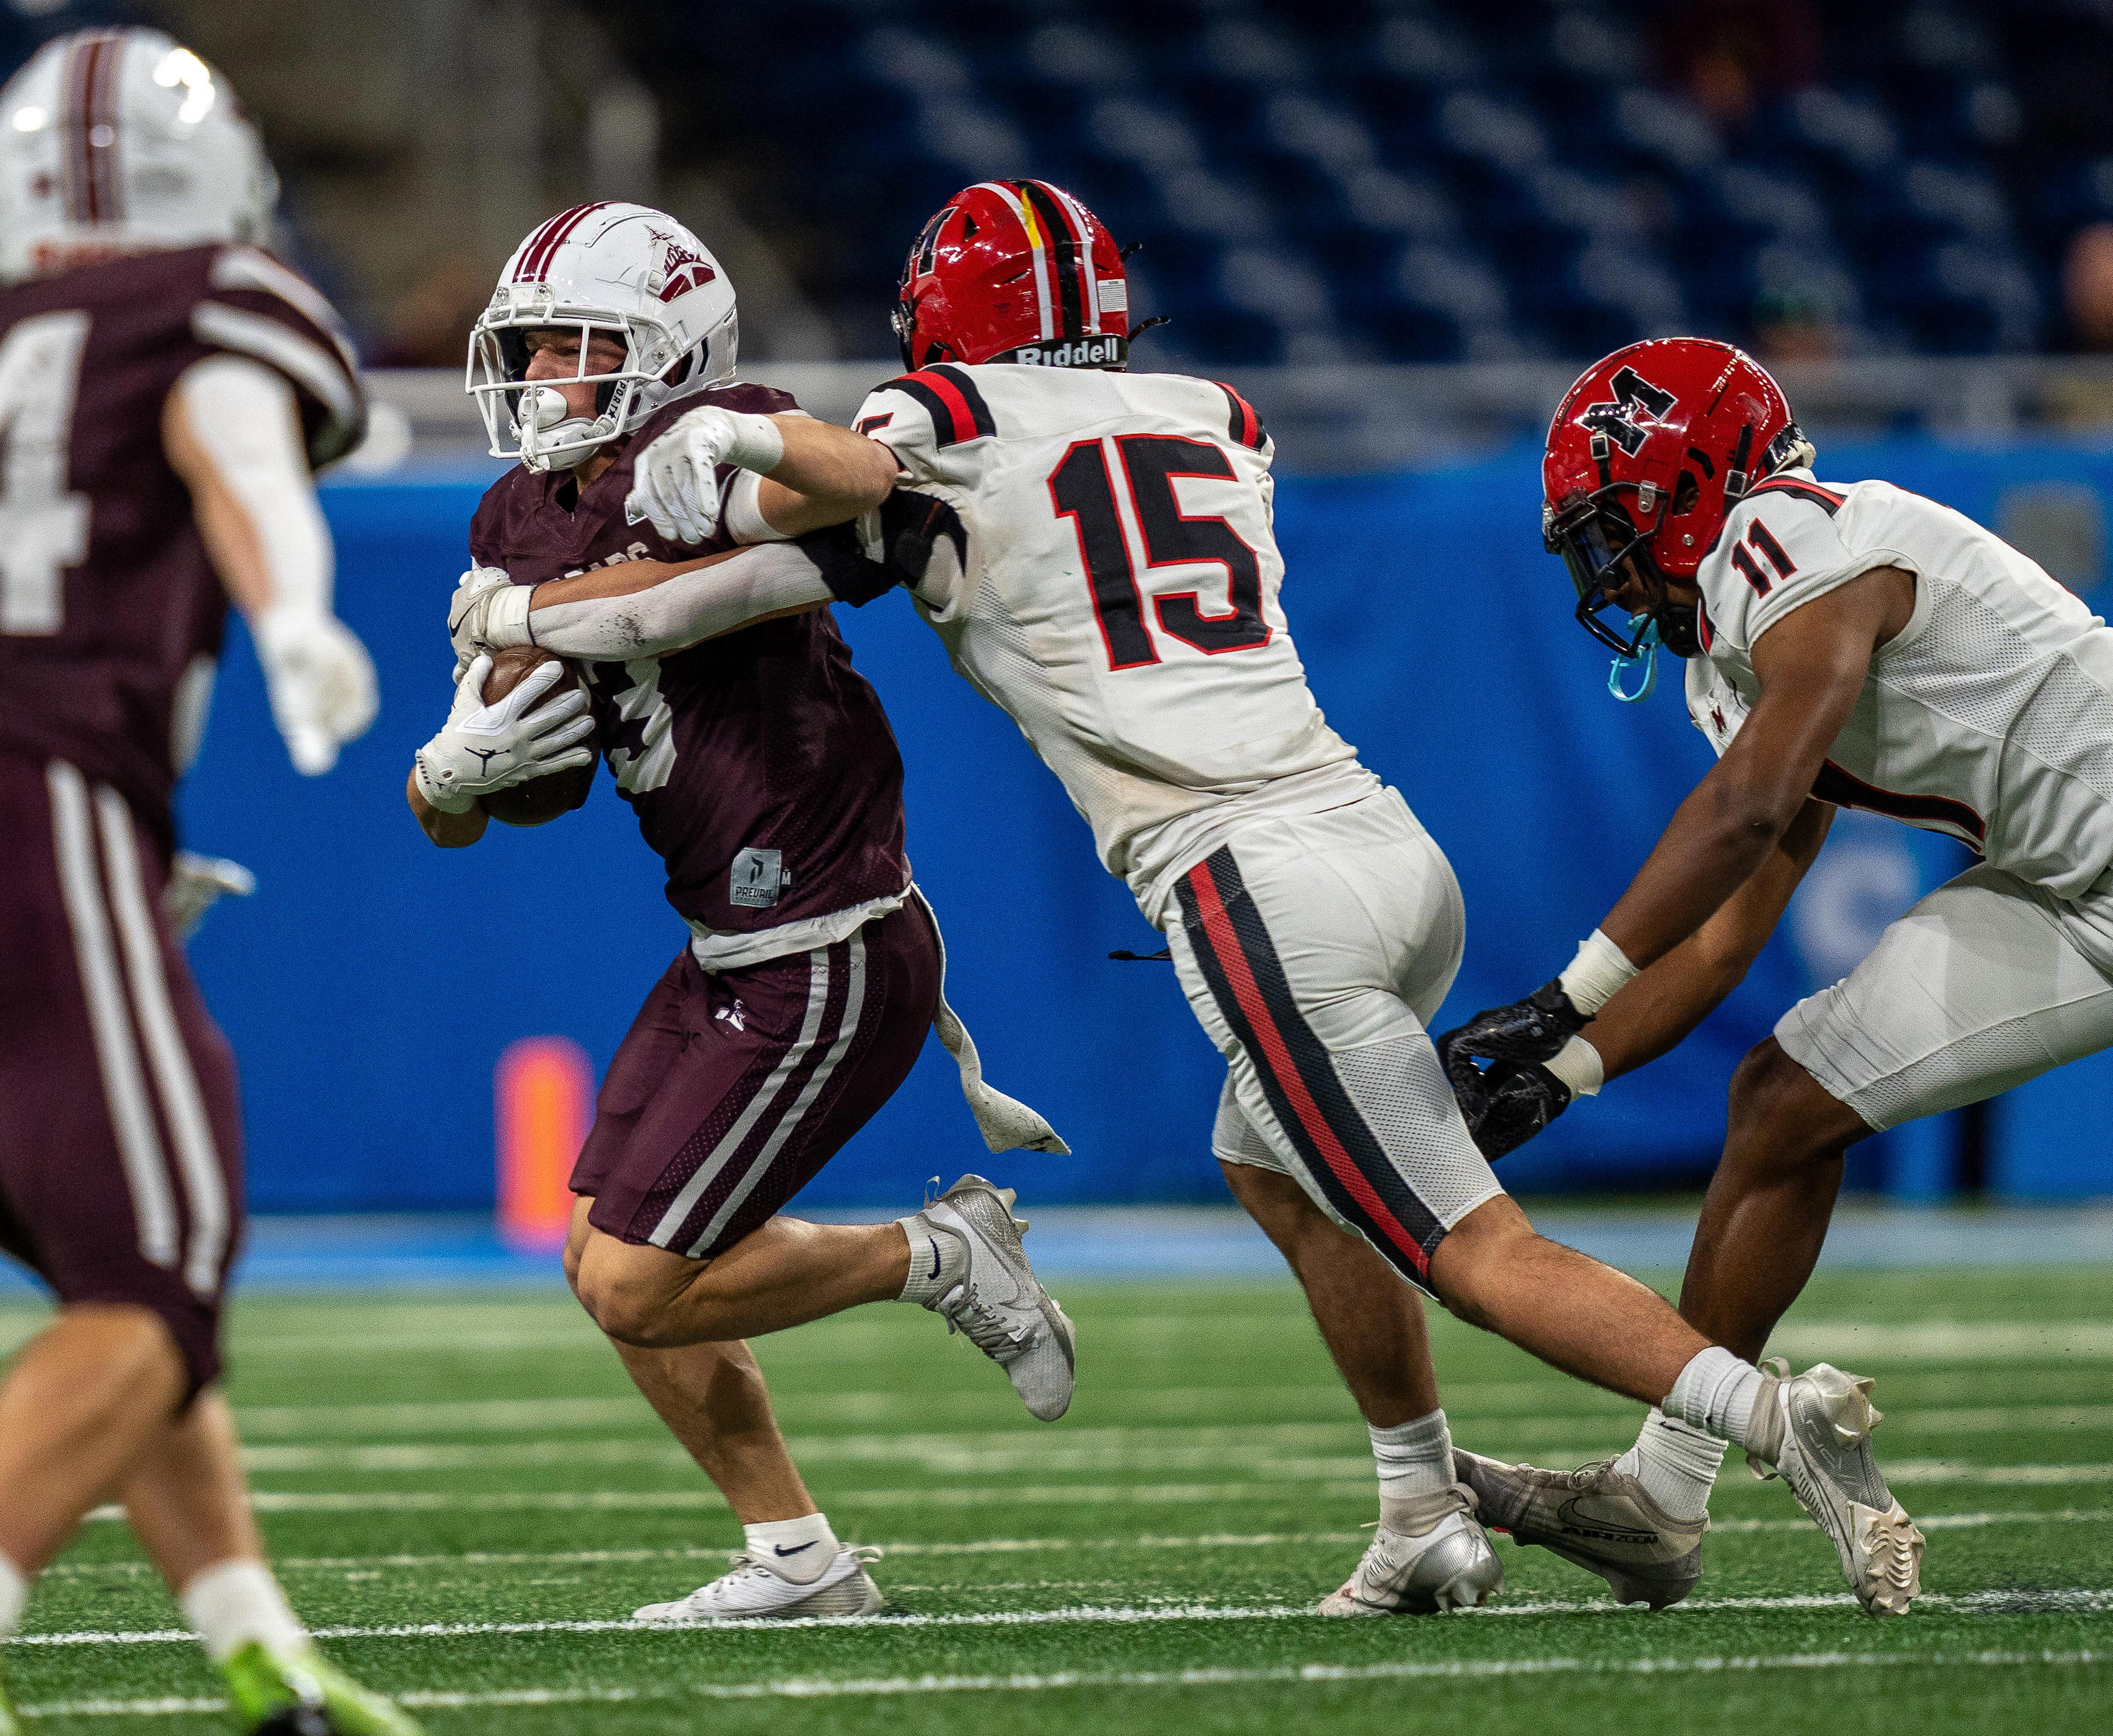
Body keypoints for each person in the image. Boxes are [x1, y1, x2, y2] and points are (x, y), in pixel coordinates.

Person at [472, 180, 1915, 1619]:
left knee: (1475, 1253)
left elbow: (762, 547)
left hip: (1248, 878)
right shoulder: (1218, 414)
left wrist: (523, 611)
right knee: (1276, 1169)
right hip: (1386, 847)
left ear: (942, 333)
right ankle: (1421, 1509)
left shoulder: (937, 426)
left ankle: (1776, 1423)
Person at [0, 29, 411, 1734]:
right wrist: (291, 617)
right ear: (207, 190)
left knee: (121, 1289)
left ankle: (263, 1655)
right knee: (156, 1278)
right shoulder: (198, 306)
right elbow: (231, 445)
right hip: (23, 814)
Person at [409, 199, 1076, 1622]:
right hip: (726, 940)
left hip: (826, 941)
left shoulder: (695, 450)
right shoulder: (519, 512)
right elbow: (515, 793)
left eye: (575, 351)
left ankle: (941, 1253)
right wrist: (450, 780)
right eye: (527, 353)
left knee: (647, 1282)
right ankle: (800, 1558)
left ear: (667, 357)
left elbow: (860, 474)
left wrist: (753, 436)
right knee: (601, 1263)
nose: (540, 385)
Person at [1437, 336, 2113, 1615]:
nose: (1608, 567)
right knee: (1783, 1099)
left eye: (1615, 527)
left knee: (1785, 1098)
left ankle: (1659, 1492)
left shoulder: (1792, 536)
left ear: (1692, 488)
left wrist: (1567, 995)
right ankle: (1661, 1498)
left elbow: (1747, 808)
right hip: (2061, 876)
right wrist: (1564, 1073)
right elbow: (1724, 935)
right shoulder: (1734, 646)